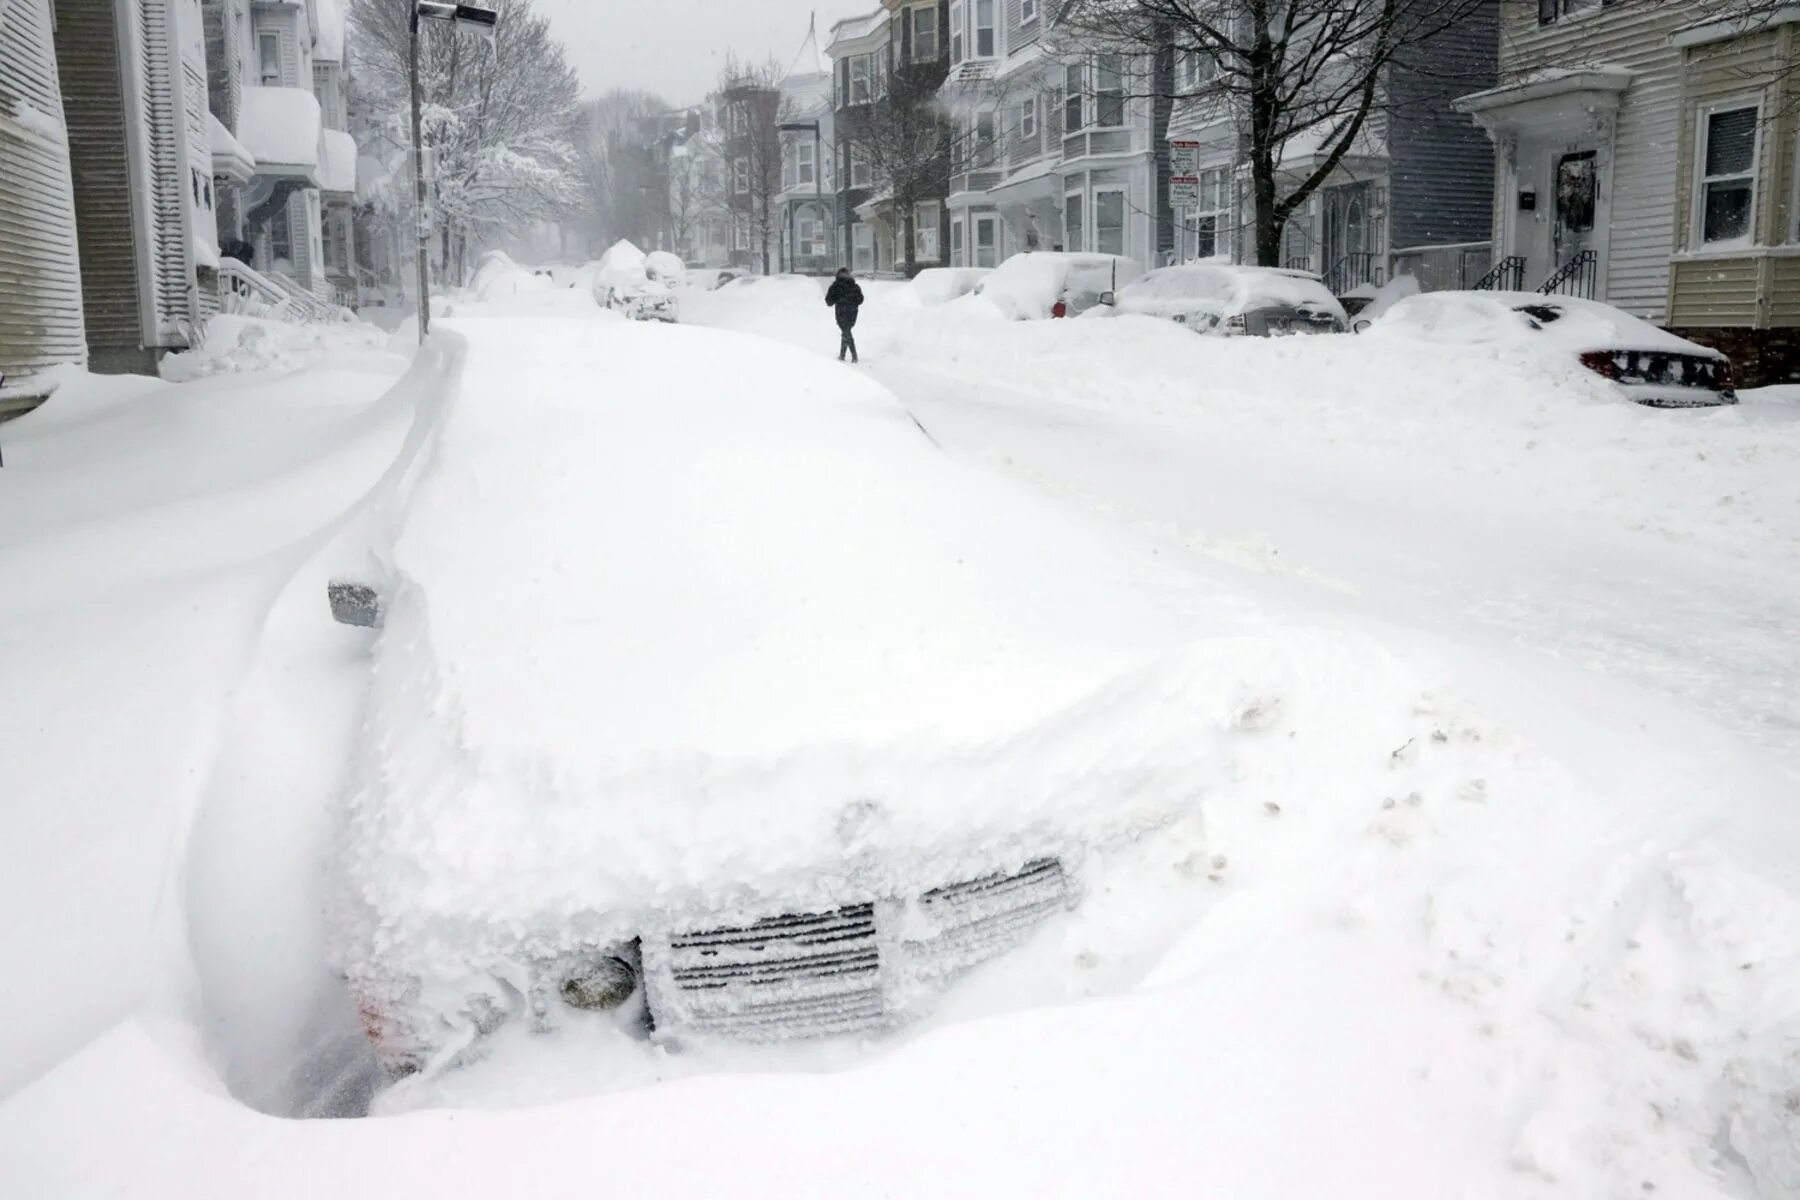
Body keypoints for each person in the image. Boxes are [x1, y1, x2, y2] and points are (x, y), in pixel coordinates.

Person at [824, 266, 864, 363]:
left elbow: (829, 302)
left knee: (846, 331)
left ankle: (854, 356)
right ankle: (842, 355)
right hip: (852, 312)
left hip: (841, 312)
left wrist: (839, 299)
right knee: (846, 331)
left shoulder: (836, 286)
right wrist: (852, 302)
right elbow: (860, 299)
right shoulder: (854, 286)